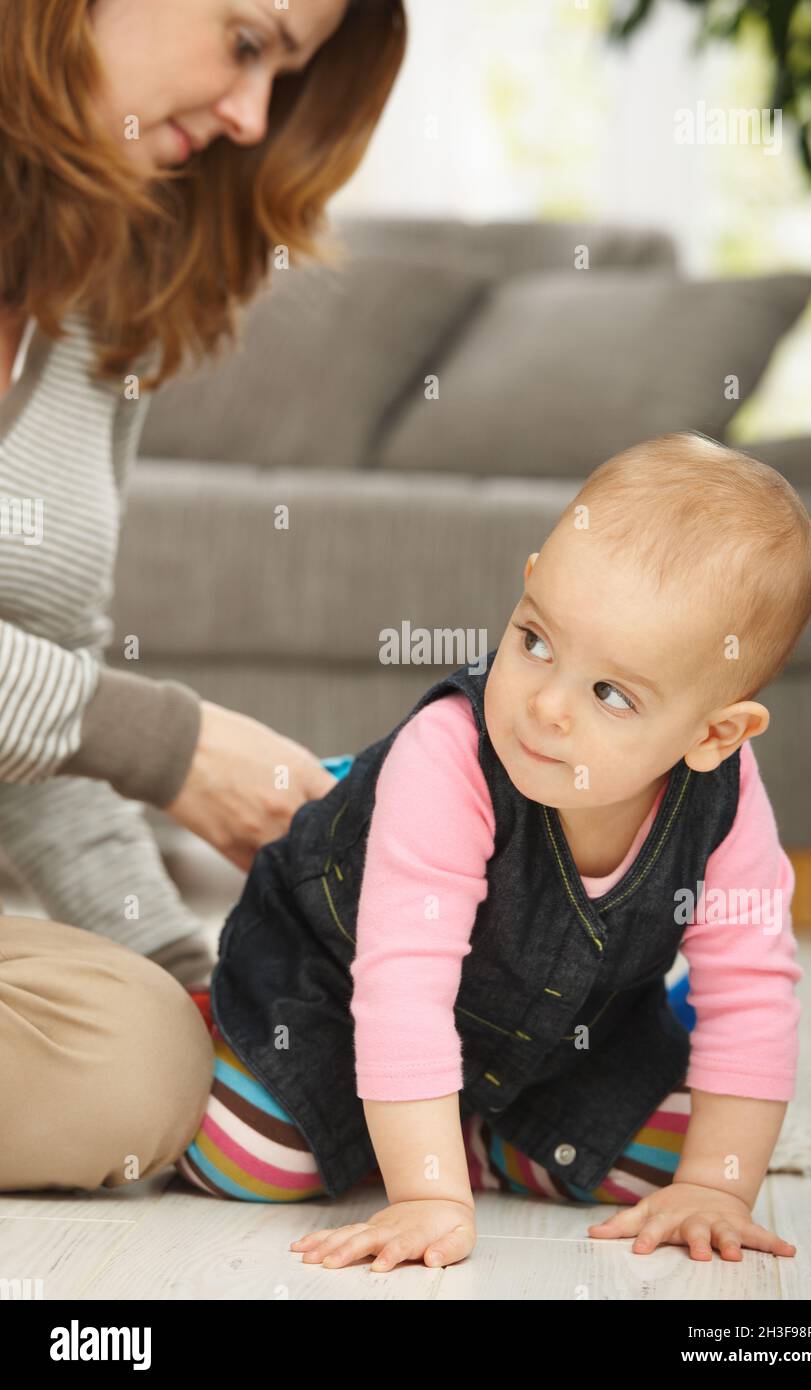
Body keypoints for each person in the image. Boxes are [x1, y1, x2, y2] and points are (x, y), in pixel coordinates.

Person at [177, 432, 811, 1271]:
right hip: (340, 996)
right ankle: (394, 1124)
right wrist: (429, 1199)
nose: (547, 705)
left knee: (677, 1159)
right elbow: (403, 983)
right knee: (241, 1158)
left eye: (611, 694)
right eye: (536, 641)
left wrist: (715, 1188)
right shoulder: (448, 755)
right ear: (525, 590)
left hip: (559, 1042)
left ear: (713, 733)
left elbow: (754, 986)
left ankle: (472, 1136)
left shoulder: (726, 795)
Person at [0, 0, 407, 1192]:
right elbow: (87, 722)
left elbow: (39, 753)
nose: (250, 116)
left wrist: (207, 1000)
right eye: (247, 41)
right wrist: (170, 744)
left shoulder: (86, 321)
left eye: (285, 75)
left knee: (137, 1062)